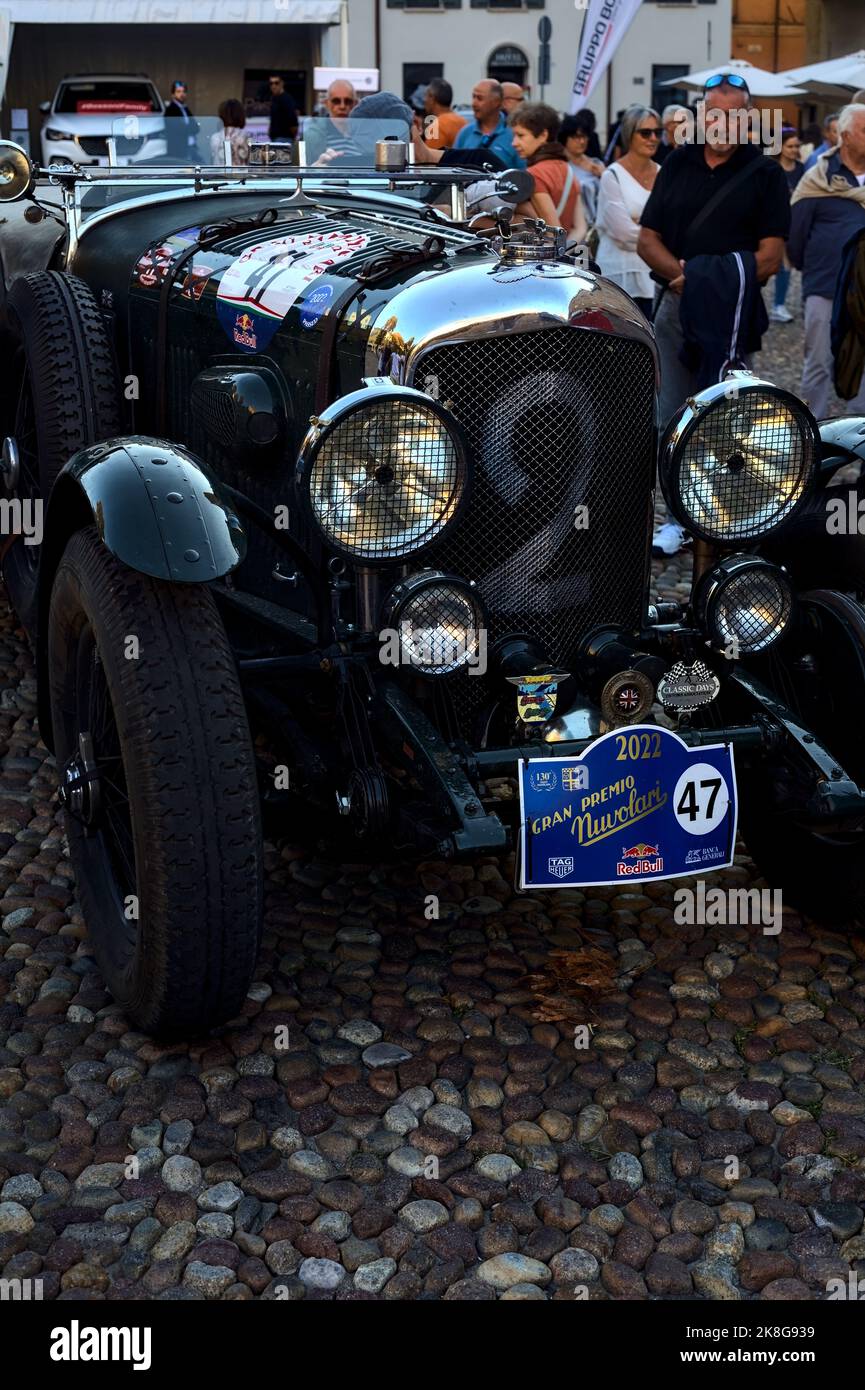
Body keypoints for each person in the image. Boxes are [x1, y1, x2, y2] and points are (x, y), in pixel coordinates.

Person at [637, 74, 789, 427]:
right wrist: (688, 279)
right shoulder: (676, 163)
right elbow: (646, 239)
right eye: (713, 114)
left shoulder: (767, 173)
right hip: (675, 306)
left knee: (727, 419)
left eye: (733, 115)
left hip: (732, 312)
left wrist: (703, 281)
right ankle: (670, 466)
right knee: (671, 416)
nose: (722, 124)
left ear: (748, 118)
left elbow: (770, 259)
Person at [788, 103, 865, 417]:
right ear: (845, 136)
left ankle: (860, 434)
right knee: (818, 361)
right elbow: (796, 236)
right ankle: (813, 431)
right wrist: (813, 270)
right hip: (825, 285)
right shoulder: (818, 178)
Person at [594, 106, 661, 318]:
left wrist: (639, 222)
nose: (653, 138)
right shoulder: (612, 175)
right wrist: (655, 233)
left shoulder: (663, 173)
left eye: (657, 132)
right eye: (645, 133)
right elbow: (622, 233)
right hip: (620, 274)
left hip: (654, 274)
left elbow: (675, 224)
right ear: (629, 134)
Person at [509, 102, 581, 234]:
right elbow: (580, 228)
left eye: (521, 135)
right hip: (568, 245)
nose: (514, 143)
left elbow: (553, 232)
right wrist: (568, 246)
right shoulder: (567, 169)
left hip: (548, 247)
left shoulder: (534, 174)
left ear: (543, 135)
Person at [768, 126, 803, 322]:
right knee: (779, 265)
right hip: (774, 223)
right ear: (780, 147)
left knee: (789, 265)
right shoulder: (771, 169)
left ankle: (780, 304)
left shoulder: (802, 169)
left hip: (796, 223)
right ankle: (777, 305)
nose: (794, 150)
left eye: (797, 146)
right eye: (790, 146)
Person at [453, 79, 525, 168]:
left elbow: (522, 172)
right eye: (473, 97)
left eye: (479, 98)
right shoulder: (465, 133)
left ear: (496, 102)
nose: (474, 103)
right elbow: (453, 168)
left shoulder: (514, 134)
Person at [557, 112, 605, 225]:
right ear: (565, 138)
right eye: (576, 137)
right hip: (572, 225)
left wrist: (604, 175)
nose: (582, 141)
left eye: (584, 136)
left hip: (599, 224)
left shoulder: (597, 164)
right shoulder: (560, 167)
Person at [423, 78, 467, 151]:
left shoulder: (438, 126)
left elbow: (429, 156)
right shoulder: (463, 122)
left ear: (432, 97)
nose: (424, 100)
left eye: (426, 95)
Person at [164, 80, 198, 160]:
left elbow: (196, 128)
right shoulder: (170, 110)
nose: (182, 94)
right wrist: (189, 128)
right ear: (173, 94)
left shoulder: (185, 108)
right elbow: (177, 129)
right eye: (178, 91)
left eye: (183, 91)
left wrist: (188, 128)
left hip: (190, 147)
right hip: (178, 150)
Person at [211, 98, 249, 166]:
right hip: (241, 173)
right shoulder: (246, 137)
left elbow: (215, 163)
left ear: (221, 115)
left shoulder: (215, 138)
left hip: (219, 172)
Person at [268, 73, 298, 142]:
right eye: (271, 83)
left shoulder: (287, 99)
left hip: (285, 138)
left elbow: (293, 121)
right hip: (275, 138)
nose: (273, 86)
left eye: (276, 83)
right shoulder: (274, 98)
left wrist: (292, 136)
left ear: (281, 83)